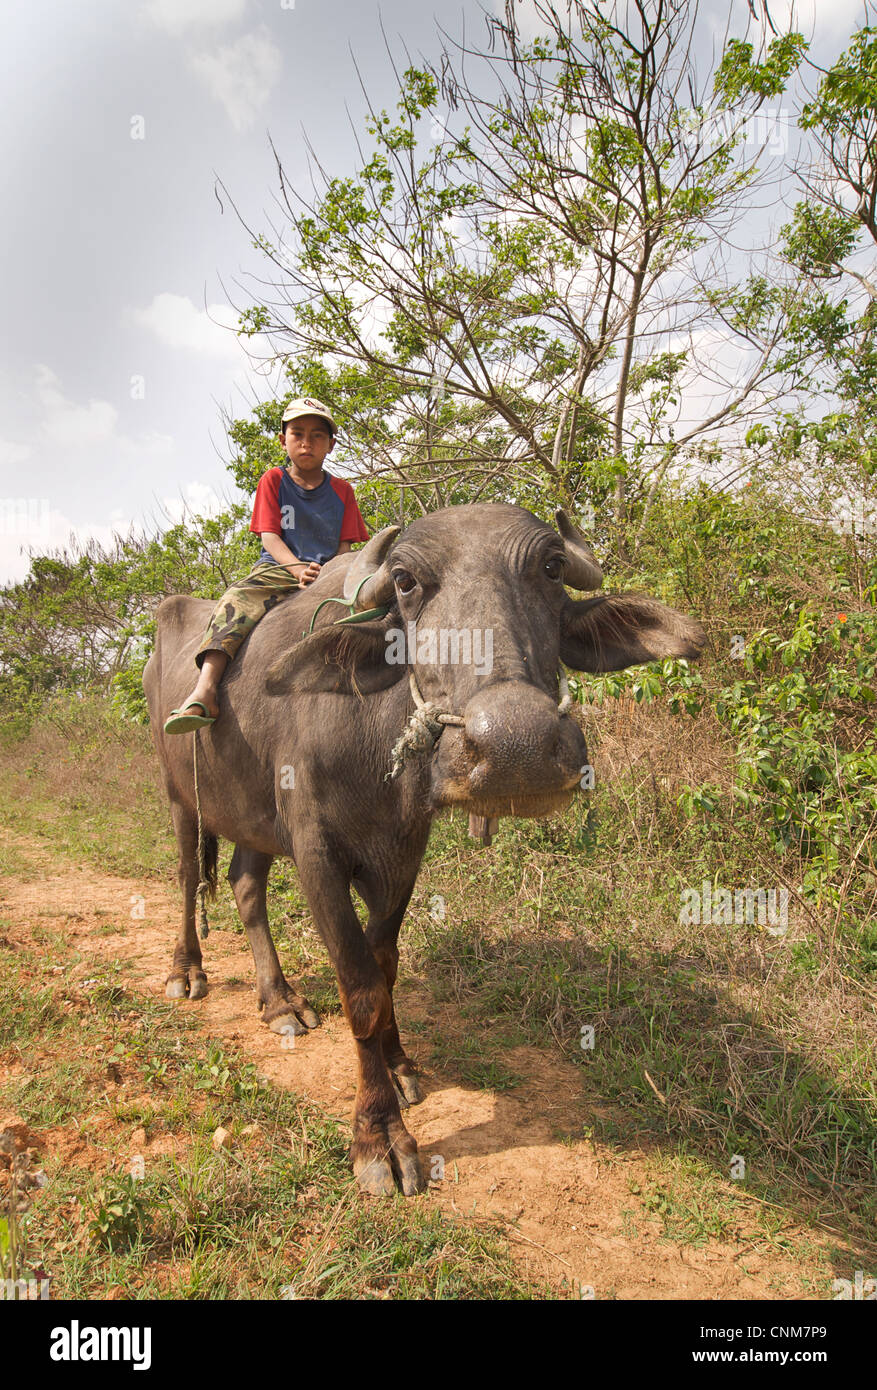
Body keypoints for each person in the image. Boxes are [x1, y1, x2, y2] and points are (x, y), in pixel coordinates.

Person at [164, 397, 369, 733]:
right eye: (298, 434)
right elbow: (270, 538)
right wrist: (297, 569)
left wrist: (331, 574)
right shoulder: (273, 481)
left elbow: (345, 548)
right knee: (237, 601)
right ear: (282, 440)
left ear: (330, 446)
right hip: (278, 572)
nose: (307, 442)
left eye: (317, 436)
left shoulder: (343, 491)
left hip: (330, 574)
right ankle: (206, 688)